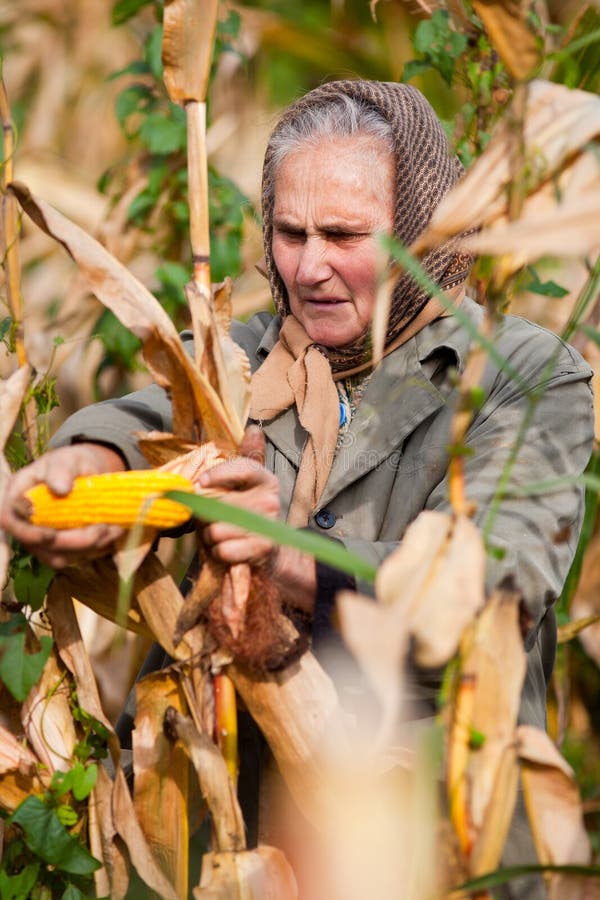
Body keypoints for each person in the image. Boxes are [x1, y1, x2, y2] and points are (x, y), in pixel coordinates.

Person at [1, 81, 594, 897]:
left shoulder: (521, 379)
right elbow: (141, 418)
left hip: (430, 833)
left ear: (425, 235)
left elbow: (500, 582)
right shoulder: (249, 355)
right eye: (291, 233)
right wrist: (84, 471)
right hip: (247, 840)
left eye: (345, 235)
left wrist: (291, 560)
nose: (309, 266)